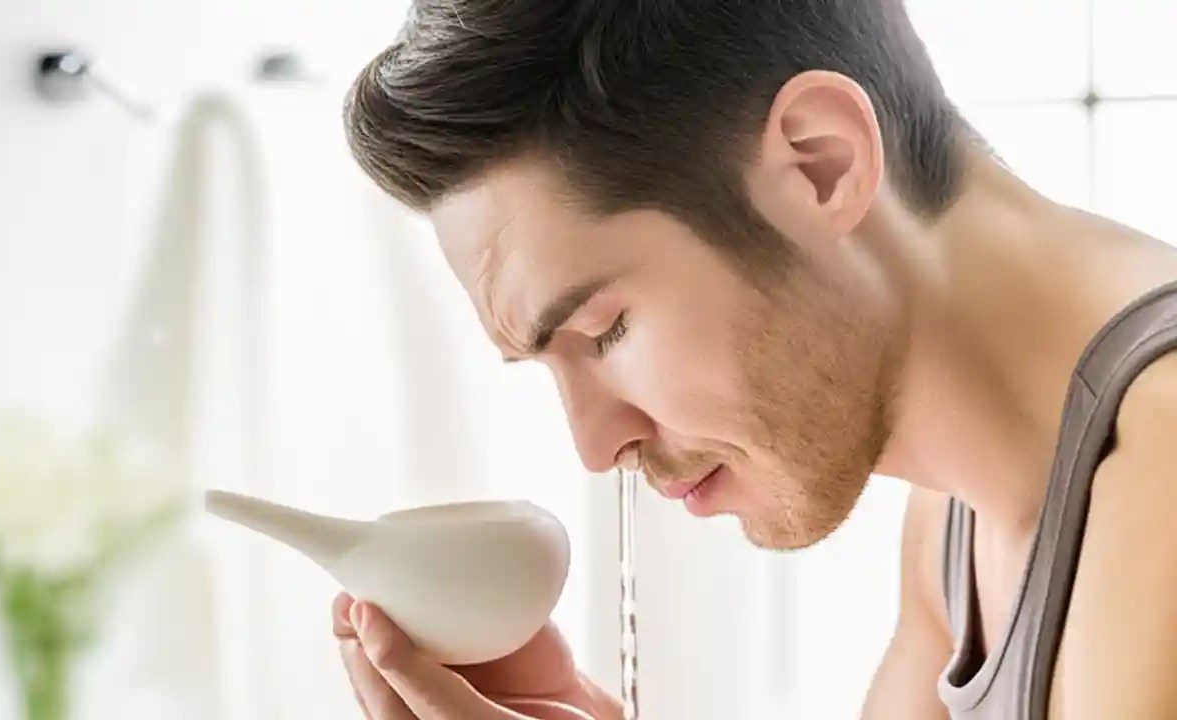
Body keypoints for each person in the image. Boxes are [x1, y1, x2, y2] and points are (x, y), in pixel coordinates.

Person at [329, 1, 1177, 718]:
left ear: (819, 164)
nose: (595, 445)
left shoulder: (1164, 470)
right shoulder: (954, 512)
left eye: (606, 330)